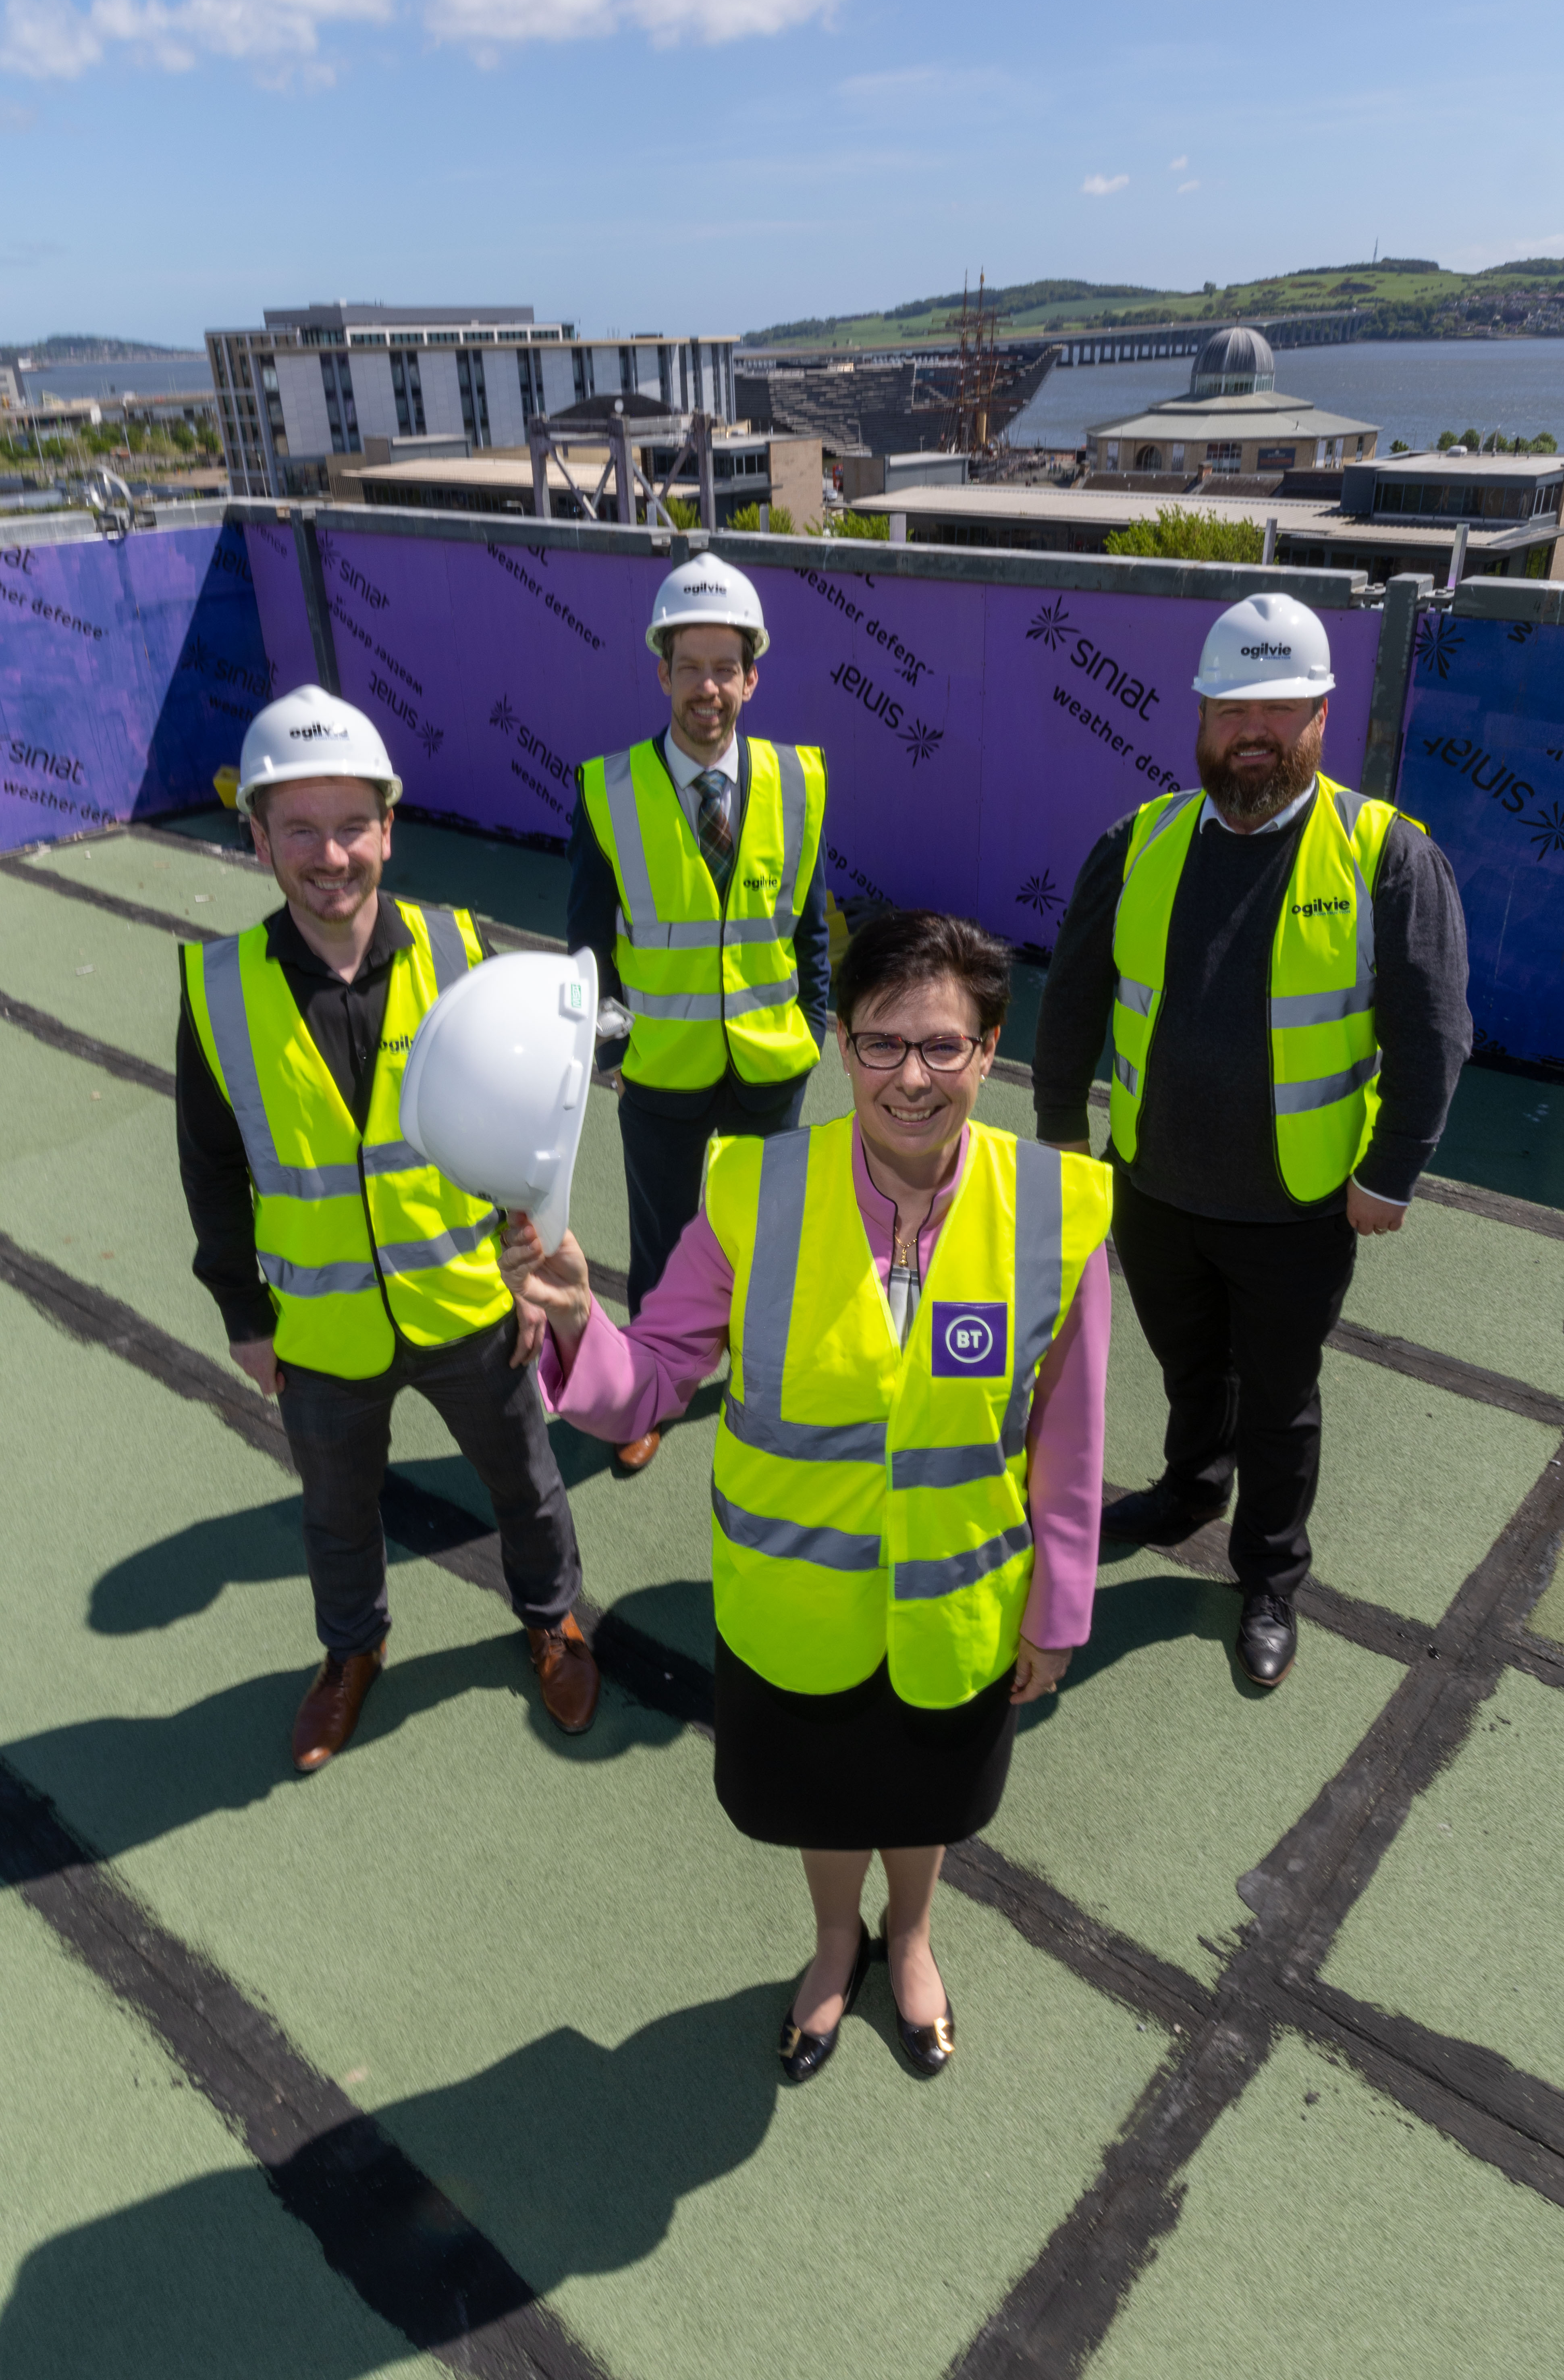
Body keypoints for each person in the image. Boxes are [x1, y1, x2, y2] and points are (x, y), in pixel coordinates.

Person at [499, 910, 1113, 2083]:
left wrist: (1057, 1615)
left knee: (923, 1796)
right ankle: (838, 1945)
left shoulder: (1060, 1209)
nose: (913, 1078)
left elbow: (1070, 1442)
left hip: (957, 1616)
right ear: (840, 1043)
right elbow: (652, 1383)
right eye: (882, 1044)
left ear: (991, 1052)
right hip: (794, 1613)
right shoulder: (755, 1189)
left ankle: (915, 1938)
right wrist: (581, 1320)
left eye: (945, 1047)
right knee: (826, 1806)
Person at [1032, 592, 1472, 1690]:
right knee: (1190, 1366)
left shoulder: (1387, 859)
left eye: (1280, 710)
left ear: (1324, 714)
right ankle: (1191, 1487)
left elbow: (1435, 1034)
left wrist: (1390, 1172)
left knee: (1280, 1397)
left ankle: (1269, 1574)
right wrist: (1058, 1135)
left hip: (1301, 1205)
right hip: (1154, 1184)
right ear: (1201, 718)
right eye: (1233, 711)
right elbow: (1075, 1001)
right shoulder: (1136, 843)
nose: (1253, 733)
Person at [175, 687, 599, 1772]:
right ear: (259, 836)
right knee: (336, 1514)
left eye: (352, 825)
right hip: (317, 1327)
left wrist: (527, 1269)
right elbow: (215, 1168)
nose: (331, 855)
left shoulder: (463, 952)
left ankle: (552, 1619)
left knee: (527, 1484)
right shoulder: (218, 990)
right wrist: (242, 1314)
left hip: (468, 1306)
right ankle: (350, 1655)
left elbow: (524, 1124)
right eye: (301, 829)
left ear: (389, 829)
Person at [566, 554, 831, 1472]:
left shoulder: (799, 782)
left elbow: (808, 925)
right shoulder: (606, 791)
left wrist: (817, 1027)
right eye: (690, 666)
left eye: (726, 667)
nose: (708, 687)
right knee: (666, 1242)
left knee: (769, 1233)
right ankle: (652, 1389)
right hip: (663, 1070)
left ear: (751, 677)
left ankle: (761, 1378)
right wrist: (600, 1052)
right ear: (660, 673)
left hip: (770, 1067)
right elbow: (587, 944)